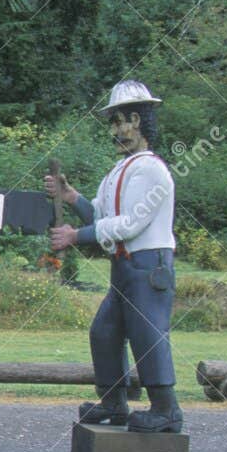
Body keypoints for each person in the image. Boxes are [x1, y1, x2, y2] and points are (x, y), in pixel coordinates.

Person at [45, 80, 183, 433]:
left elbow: (131, 224)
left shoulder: (151, 169)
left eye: (121, 121)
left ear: (138, 121)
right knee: (104, 331)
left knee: (147, 333)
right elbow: (102, 219)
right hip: (123, 269)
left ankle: (167, 409)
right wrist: (73, 197)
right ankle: (114, 402)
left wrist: (76, 236)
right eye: (114, 122)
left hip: (148, 266)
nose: (116, 130)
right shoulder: (117, 172)